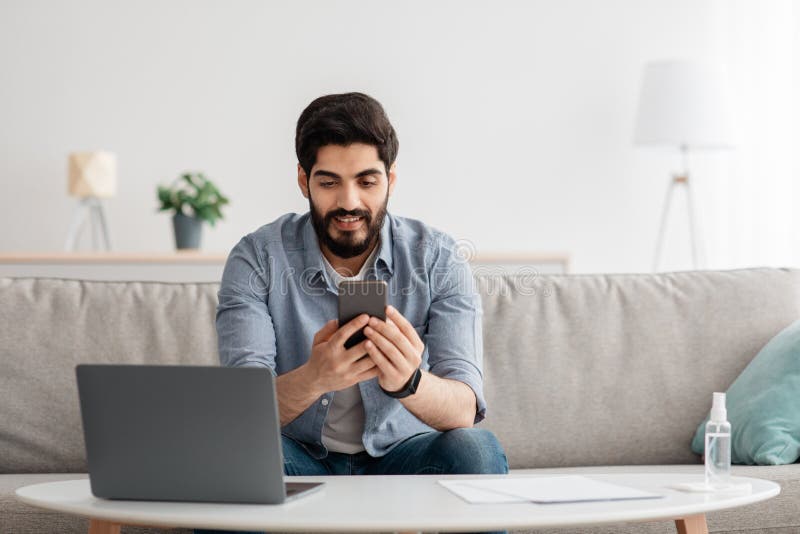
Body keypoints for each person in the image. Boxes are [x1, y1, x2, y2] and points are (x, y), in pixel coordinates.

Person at [209, 92, 507, 534]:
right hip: (299, 458)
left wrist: (410, 382)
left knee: (476, 451)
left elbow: (463, 406)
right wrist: (316, 377)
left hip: (406, 457)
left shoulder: (438, 257)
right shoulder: (258, 258)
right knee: (227, 455)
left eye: (367, 182)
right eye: (329, 183)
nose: (349, 202)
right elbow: (240, 413)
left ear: (390, 179)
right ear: (302, 179)